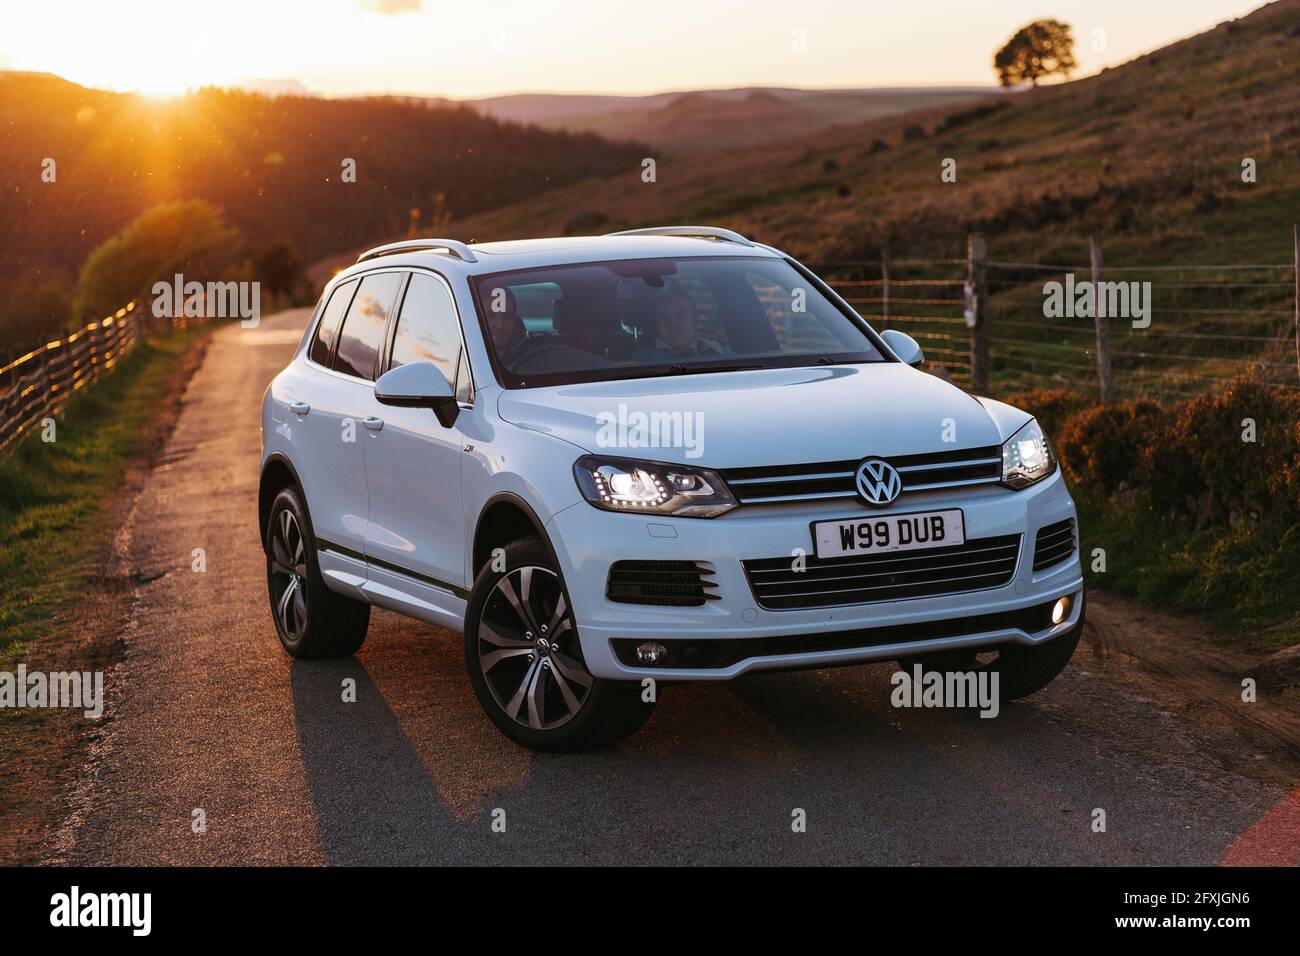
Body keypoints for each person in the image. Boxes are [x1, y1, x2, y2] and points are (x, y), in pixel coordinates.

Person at [633, 289, 727, 363]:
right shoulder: (642, 359)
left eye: (681, 315)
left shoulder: (727, 357)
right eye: (664, 318)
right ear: (657, 325)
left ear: (696, 318)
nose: (673, 323)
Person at [484, 286, 527, 361]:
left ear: (514, 320)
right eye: (491, 316)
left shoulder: (532, 356)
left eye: (507, 316)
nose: (499, 325)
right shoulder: (468, 356)